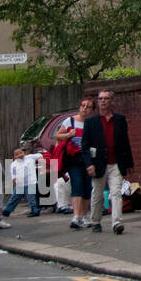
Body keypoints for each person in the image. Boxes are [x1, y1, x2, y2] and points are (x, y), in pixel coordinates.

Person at [82, 90, 134, 234]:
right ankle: (95, 221)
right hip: (98, 163)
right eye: (100, 99)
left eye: (106, 98)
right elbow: (85, 146)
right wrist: (89, 164)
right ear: (98, 102)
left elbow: (125, 142)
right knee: (97, 194)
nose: (103, 101)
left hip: (116, 163)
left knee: (116, 193)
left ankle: (117, 223)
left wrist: (129, 163)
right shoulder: (91, 122)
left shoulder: (120, 120)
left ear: (112, 101)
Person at [58, 97, 95, 229]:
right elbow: (58, 135)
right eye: (83, 106)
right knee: (77, 185)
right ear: (79, 107)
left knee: (87, 188)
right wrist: (68, 135)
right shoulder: (70, 121)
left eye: (89, 106)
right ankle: (76, 216)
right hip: (74, 159)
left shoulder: (92, 123)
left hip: (88, 159)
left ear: (92, 110)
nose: (85, 108)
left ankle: (84, 216)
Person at [2, 146, 41, 218]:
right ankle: (7, 210)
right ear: (14, 157)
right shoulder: (13, 164)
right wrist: (15, 180)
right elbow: (13, 174)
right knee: (14, 197)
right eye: (17, 154)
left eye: (21, 153)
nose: (19, 155)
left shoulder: (29, 157)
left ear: (24, 153)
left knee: (31, 198)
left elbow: (39, 155)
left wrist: (39, 158)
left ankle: (35, 210)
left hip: (30, 182)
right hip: (20, 183)